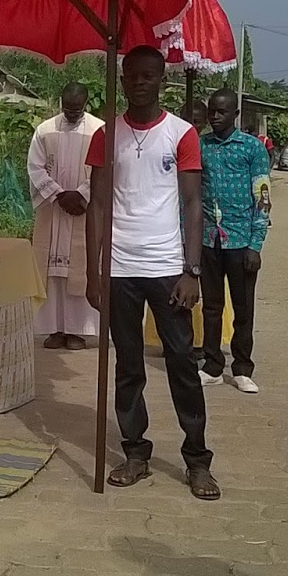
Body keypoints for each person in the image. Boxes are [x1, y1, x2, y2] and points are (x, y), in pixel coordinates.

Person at [84, 45, 216, 500]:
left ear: (162, 80)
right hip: (120, 268)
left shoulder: (181, 134)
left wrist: (191, 269)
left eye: (148, 75)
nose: (139, 82)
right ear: (122, 80)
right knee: (128, 365)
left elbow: (193, 202)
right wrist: (93, 271)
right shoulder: (106, 136)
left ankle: (197, 459)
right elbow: (98, 204)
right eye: (132, 75)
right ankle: (135, 451)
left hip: (166, 269)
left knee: (181, 362)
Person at [197, 89, 271, 393]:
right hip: (208, 238)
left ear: (235, 115)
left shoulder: (252, 148)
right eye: (212, 111)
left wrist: (256, 244)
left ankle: (242, 368)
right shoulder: (201, 146)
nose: (215, 117)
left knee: (243, 308)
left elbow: (262, 197)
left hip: (241, 241)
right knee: (211, 307)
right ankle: (212, 365)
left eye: (222, 112)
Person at [27, 82, 103, 350]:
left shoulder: (99, 130)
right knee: (52, 272)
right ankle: (55, 328)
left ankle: (78, 330)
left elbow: (104, 170)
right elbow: (35, 168)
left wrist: (82, 195)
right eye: (67, 108)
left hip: (84, 210)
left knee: (81, 269)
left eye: (76, 109)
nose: (71, 113)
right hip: (54, 209)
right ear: (61, 102)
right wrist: (59, 195)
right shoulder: (45, 130)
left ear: (85, 103)